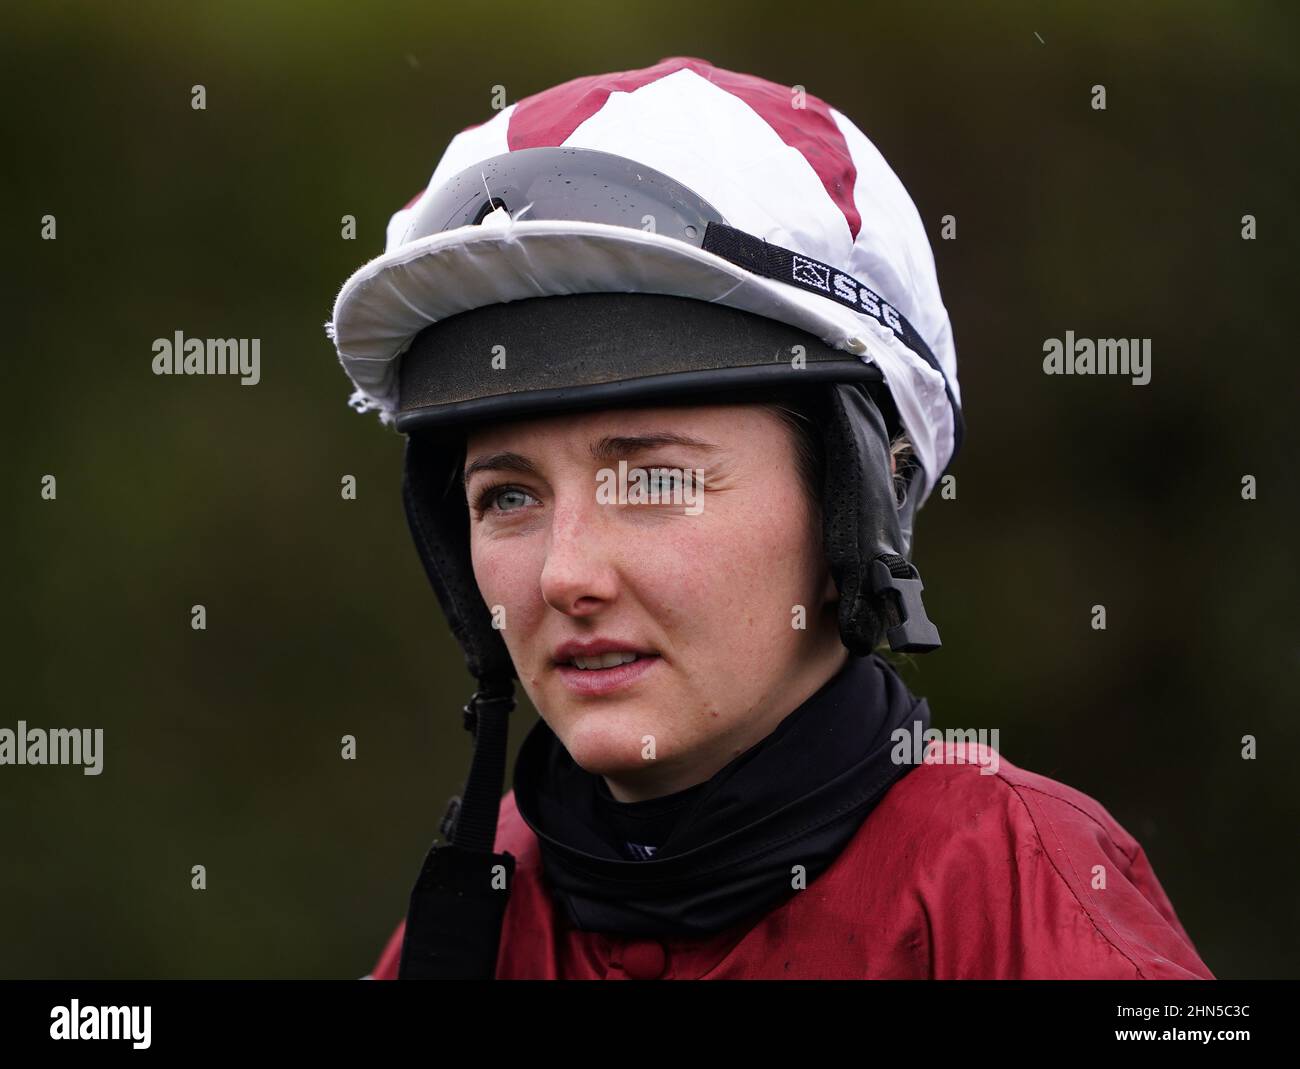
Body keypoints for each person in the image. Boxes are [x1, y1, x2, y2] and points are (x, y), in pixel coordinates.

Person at [326, 56, 1214, 980]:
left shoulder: (1016, 881)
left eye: (655, 482)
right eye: (508, 497)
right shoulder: (483, 896)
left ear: (854, 507)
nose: (564, 575)